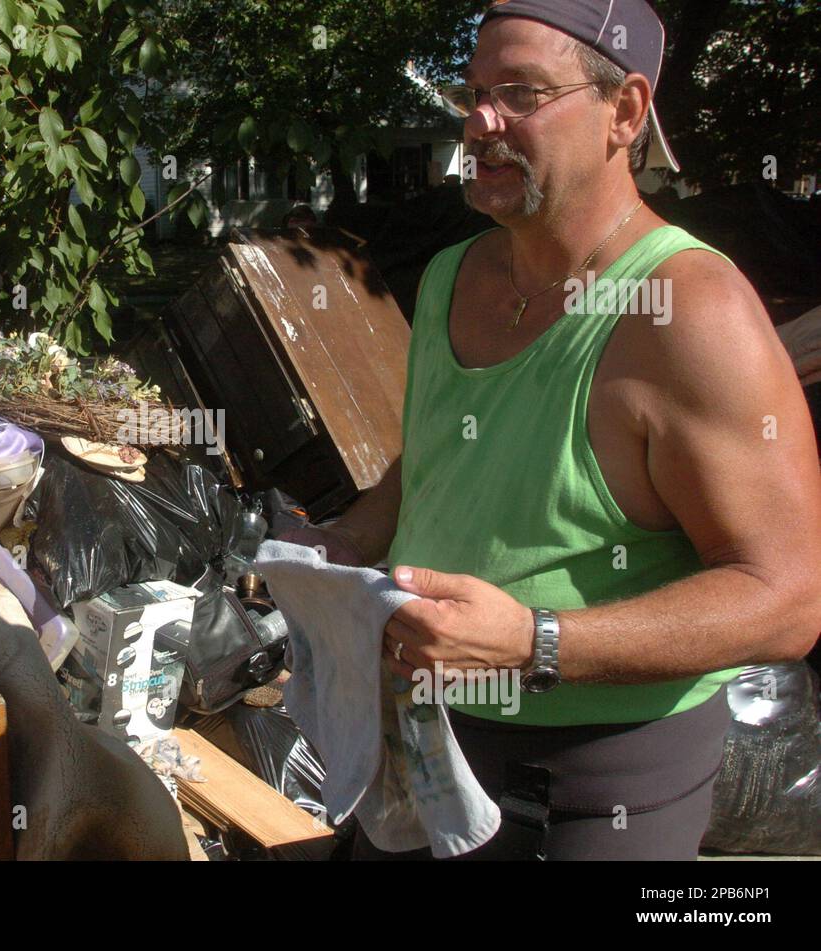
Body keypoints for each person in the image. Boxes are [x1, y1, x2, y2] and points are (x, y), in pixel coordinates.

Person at [293, 0, 821, 859]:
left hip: (593, 786)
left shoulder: (688, 311)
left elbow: (789, 596)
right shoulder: (449, 276)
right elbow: (446, 450)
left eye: (520, 94)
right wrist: (355, 534)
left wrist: (532, 642)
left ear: (625, 111)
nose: (480, 122)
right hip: (423, 740)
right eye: (472, 94)